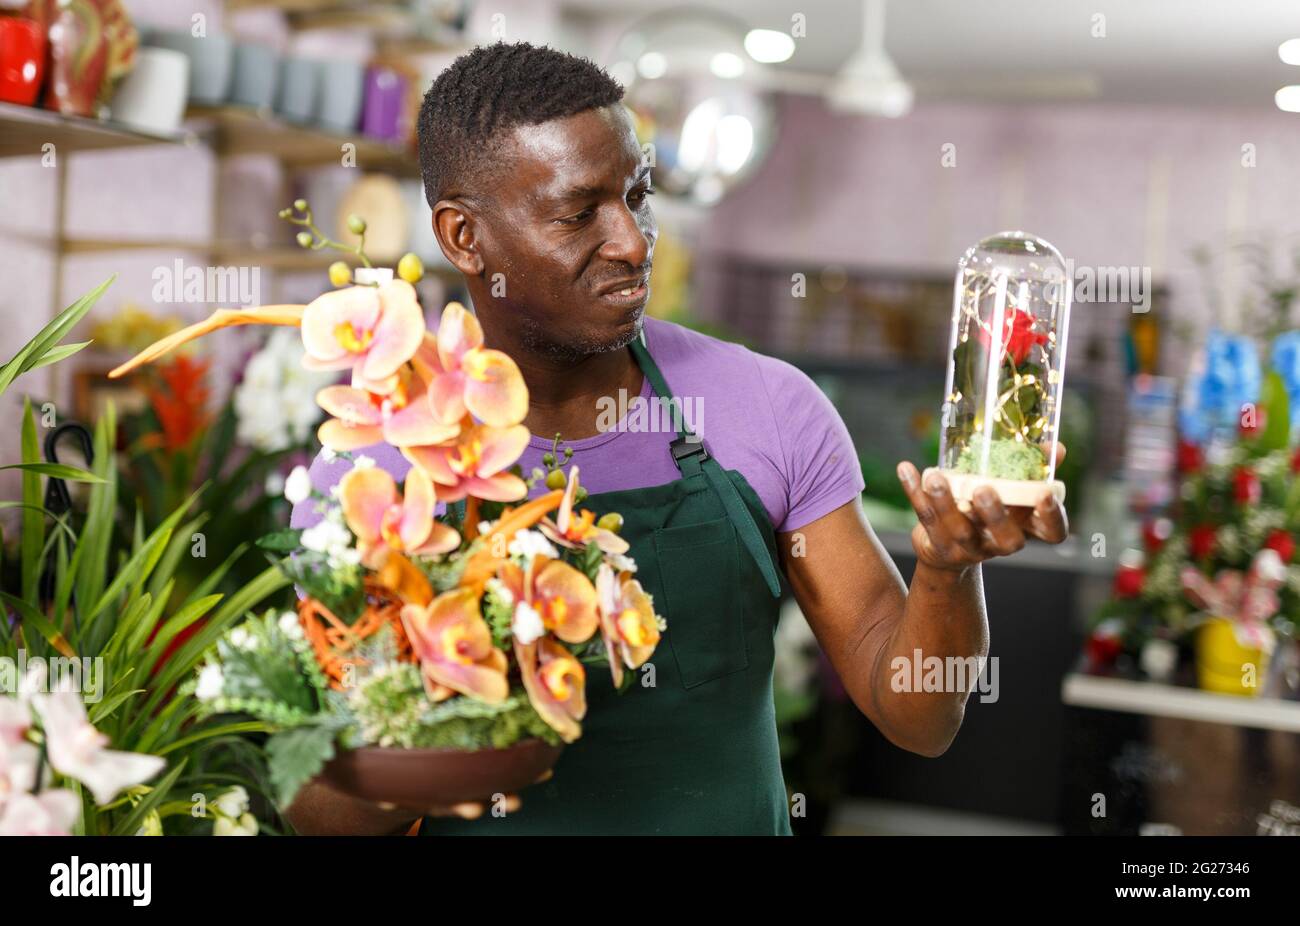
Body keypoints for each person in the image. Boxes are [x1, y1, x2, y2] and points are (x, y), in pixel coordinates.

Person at [286, 42, 1068, 836]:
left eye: (639, 194)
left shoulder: (765, 407)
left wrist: (945, 569)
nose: (633, 241)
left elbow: (919, 716)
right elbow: (317, 818)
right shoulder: (374, 471)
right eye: (578, 212)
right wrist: (440, 695)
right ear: (462, 238)